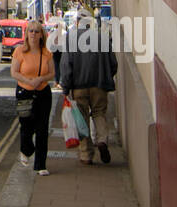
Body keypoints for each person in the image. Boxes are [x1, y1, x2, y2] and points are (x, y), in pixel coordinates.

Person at [59, 22, 118, 164]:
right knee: (99, 113)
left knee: (82, 120)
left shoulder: (71, 38)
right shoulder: (102, 38)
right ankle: (102, 140)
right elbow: (113, 63)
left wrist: (66, 88)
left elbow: (66, 65)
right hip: (99, 86)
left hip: (79, 87)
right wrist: (106, 77)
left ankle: (86, 155)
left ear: (78, 23)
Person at [11, 19, 55, 175]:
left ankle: (41, 165)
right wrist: (28, 80)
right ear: (26, 33)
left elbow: (52, 73)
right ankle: (26, 149)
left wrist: (40, 79)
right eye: (31, 31)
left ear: (41, 35)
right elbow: (14, 72)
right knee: (26, 125)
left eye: (37, 32)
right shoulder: (19, 51)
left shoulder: (46, 53)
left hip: (43, 92)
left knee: (42, 128)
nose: (33, 34)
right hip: (24, 92)